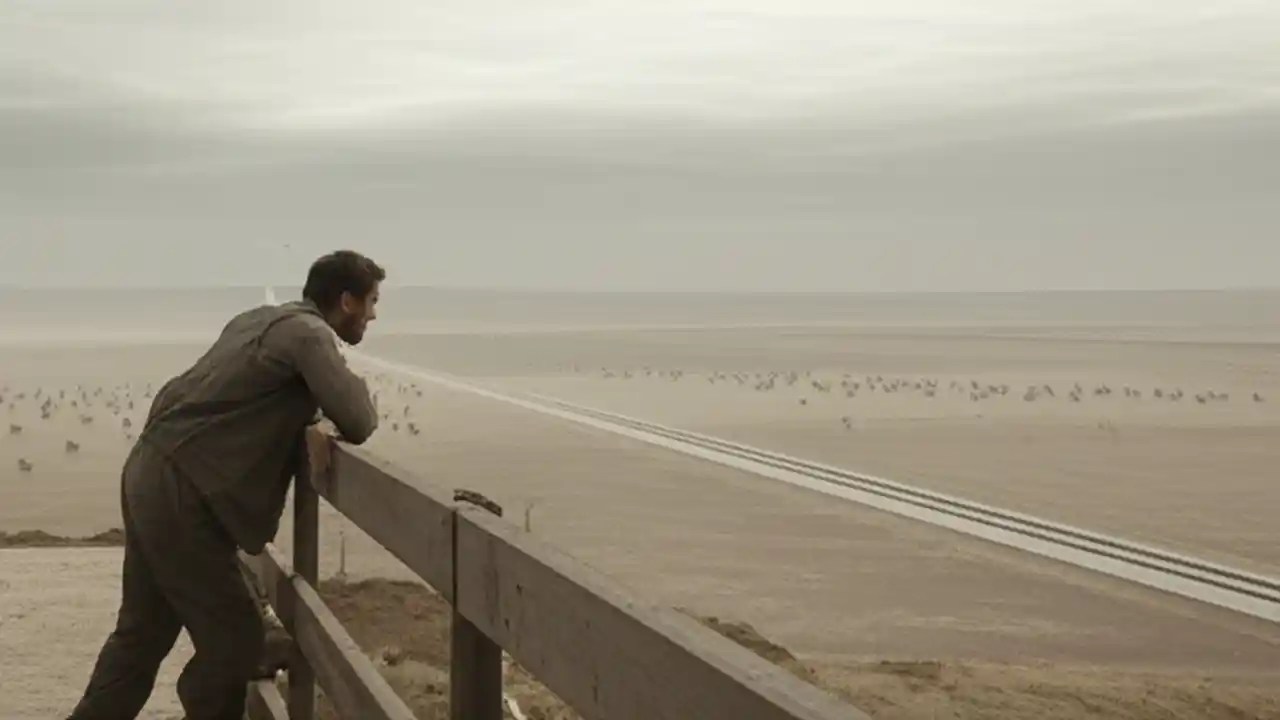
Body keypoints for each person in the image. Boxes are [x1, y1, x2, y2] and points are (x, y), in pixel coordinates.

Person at [67, 250, 384, 720]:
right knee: (237, 640)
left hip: (148, 471)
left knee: (140, 637)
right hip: (184, 494)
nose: (374, 314)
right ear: (346, 301)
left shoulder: (257, 320)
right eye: (372, 302)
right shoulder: (311, 335)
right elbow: (358, 419)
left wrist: (306, 407)